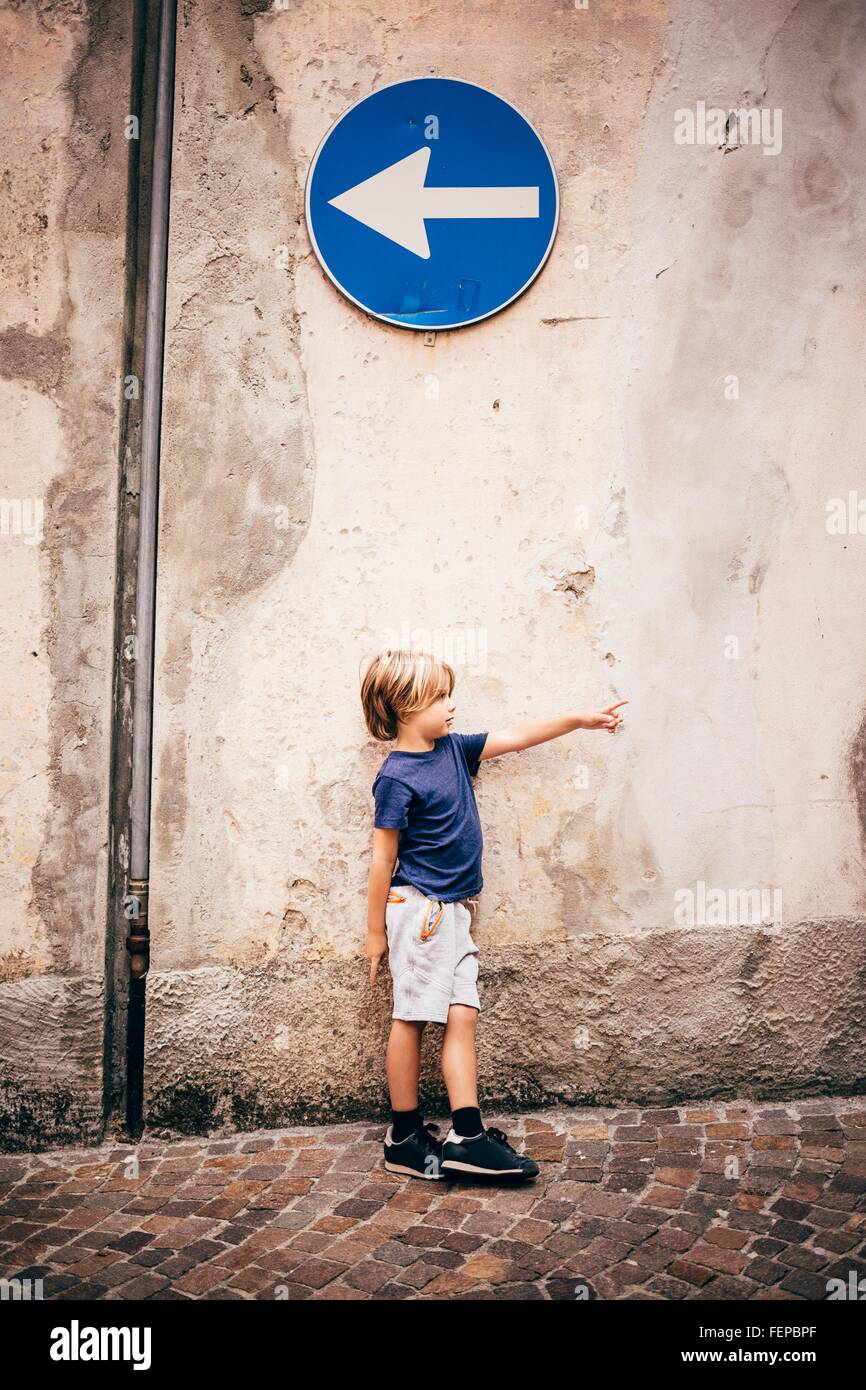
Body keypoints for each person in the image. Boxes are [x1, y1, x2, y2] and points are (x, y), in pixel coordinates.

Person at [360, 648, 627, 1181]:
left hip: (454, 913)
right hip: (419, 912)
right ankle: (404, 1136)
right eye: (439, 697)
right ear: (407, 707)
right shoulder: (396, 776)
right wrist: (373, 933)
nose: (451, 706)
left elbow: (519, 735)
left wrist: (579, 719)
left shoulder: (454, 750)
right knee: (411, 1016)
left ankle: (466, 1133)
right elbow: (382, 858)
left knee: (463, 1014)